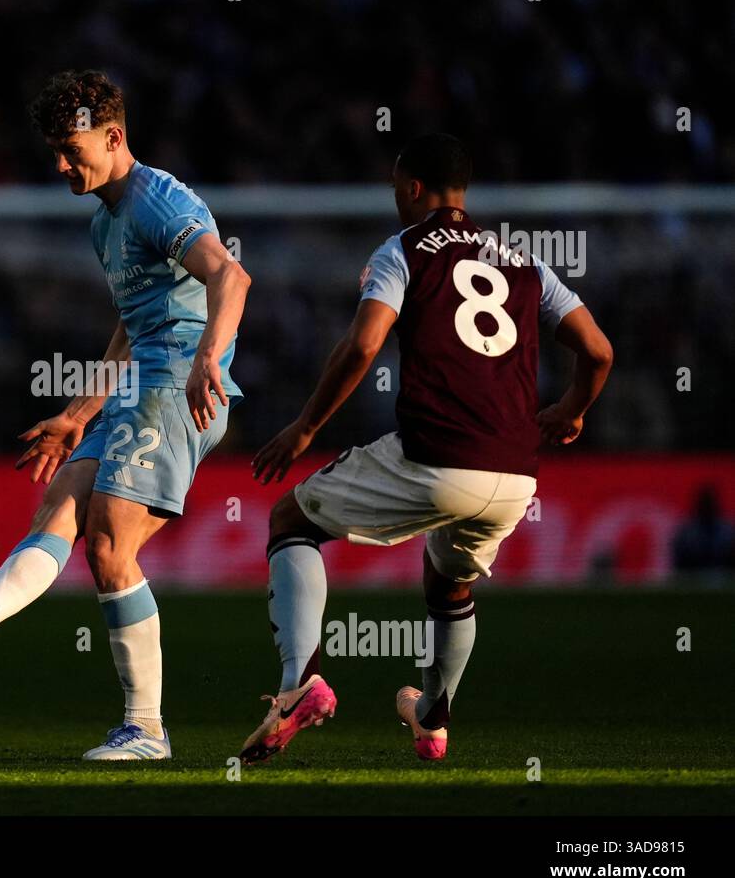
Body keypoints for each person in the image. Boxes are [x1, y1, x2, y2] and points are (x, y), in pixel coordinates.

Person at [0, 70, 251, 760]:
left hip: (174, 384)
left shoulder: (156, 200)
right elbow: (131, 320)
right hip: (139, 381)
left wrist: (210, 357)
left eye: (71, 148)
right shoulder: (104, 222)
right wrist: (82, 411)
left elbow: (231, 276)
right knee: (57, 511)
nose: (59, 164)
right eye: (52, 149)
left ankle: (145, 730)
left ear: (113, 136)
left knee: (110, 546)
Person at [241, 133, 613, 763]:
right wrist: (570, 411)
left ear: (412, 187)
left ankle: (297, 687)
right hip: (517, 474)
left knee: (290, 520)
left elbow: (363, 346)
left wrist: (305, 427)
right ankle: (433, 718)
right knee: (449, 587)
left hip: (438, 453)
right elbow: (599, 351)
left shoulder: (403, 251)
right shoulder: (525, 262)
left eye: (395, 187)